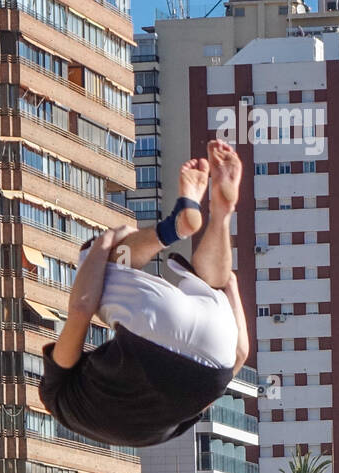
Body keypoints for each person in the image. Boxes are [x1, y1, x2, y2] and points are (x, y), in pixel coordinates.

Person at [39, 141, 248, 452]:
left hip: (215, 359)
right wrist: (102, 244)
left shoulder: (159, 431)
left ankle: (222, 214)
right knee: (94, 264)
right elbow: (82, 308)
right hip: (154, 330)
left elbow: (241, 353)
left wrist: (229, 286)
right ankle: (172, 228)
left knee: (211, 286)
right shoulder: (57, 395)